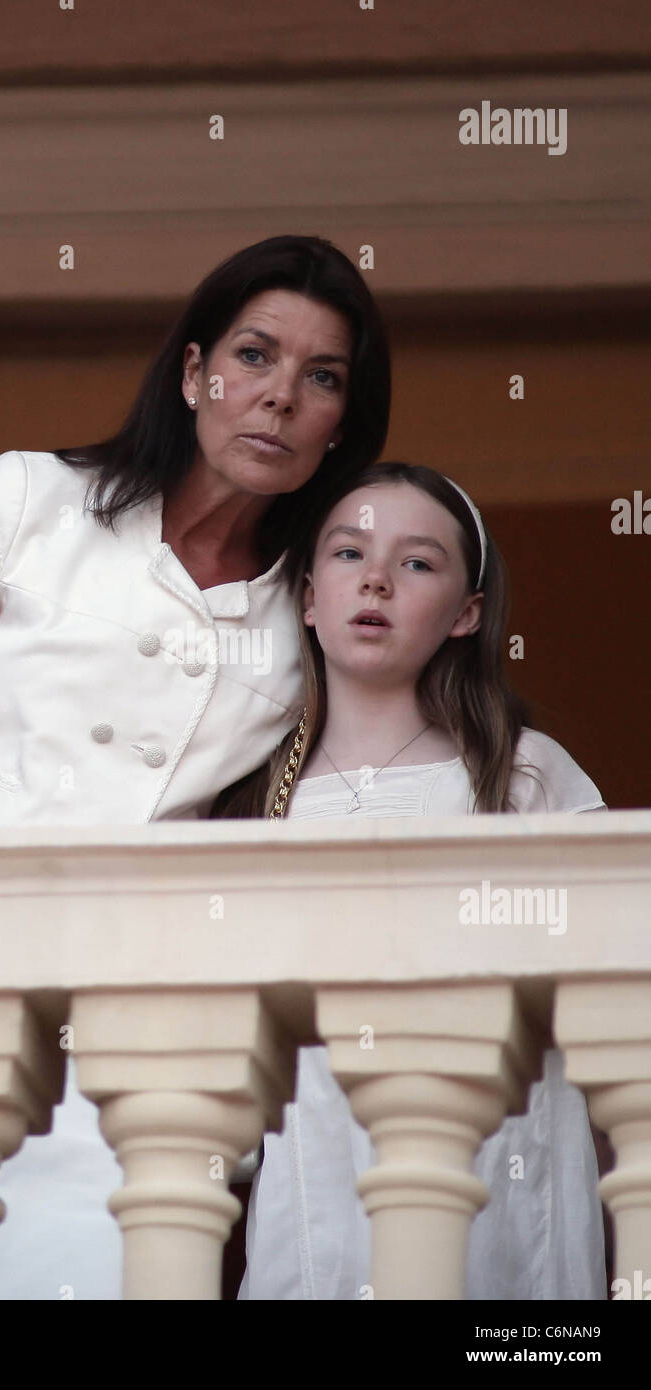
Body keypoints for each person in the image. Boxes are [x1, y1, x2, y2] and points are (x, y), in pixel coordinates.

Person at [0, 234, 391, 1299]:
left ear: (341, 421)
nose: (280, 396)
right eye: (254, 355)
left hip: (125, 1063)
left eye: (322, 377)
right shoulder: (26, 504)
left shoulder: (310, 612)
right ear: (195, 368)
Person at [211, 460, 609, 1301]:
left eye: (418, 563)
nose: (379, 580)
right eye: (350, 554)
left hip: (501, 1156)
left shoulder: (525, 775)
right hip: (317, 1164)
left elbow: (609, 976)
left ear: (466, 613)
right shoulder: (250, 793)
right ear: (311, 597)